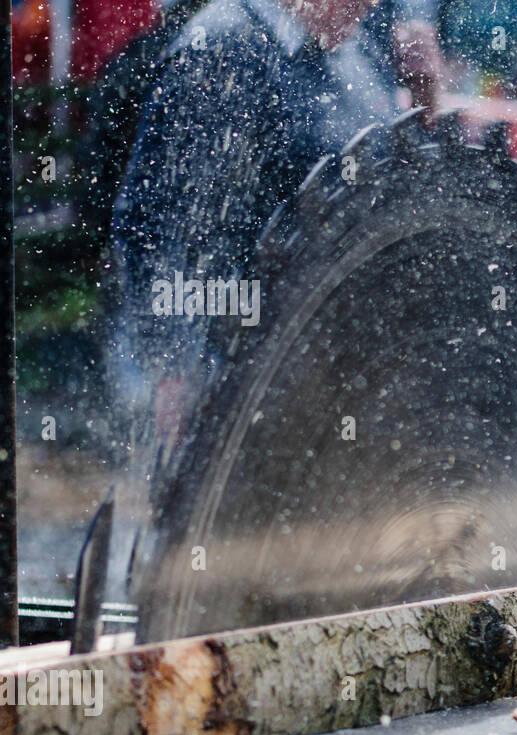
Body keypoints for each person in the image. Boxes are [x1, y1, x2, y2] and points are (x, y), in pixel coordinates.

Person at [108, 0, 403, 448]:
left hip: (342, 369)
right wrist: (175, 372)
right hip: (243, 374)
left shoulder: (357, 47)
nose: (373, 3)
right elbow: (157, 226)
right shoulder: (225, 47)